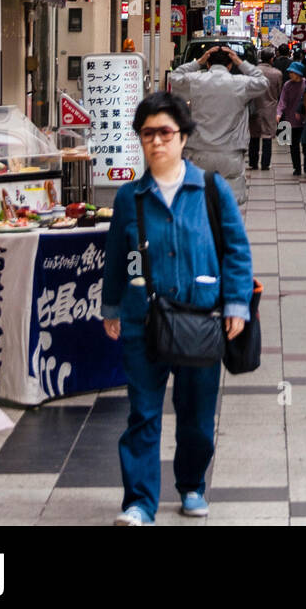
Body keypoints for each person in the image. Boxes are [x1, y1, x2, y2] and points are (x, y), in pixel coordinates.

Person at [102, 91, 253, 526]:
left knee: (196, 416)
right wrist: (112, 307)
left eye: (165, 132)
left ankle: (191, 484)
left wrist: (236, 304)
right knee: (142, 414)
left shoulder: (209, 188)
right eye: (147, 133)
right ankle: (139, 502)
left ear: (183, 137)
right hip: (142, 321)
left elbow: (236, 250)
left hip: (200, 320)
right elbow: (117, 256)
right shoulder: (130, 197)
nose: (157, 142)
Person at [170, 45, 268, 206]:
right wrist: (240, 62)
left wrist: (198, 62)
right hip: (230, 153)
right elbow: (262, 82)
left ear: (208, 64)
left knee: (198, 202)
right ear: (230, 65)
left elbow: (175, 77)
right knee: (229, 205)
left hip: (198, 152)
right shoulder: (240, 83)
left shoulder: (196, 80)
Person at [248, 45, 282, 172]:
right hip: (270, 108)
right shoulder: (277, 74)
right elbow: (278, 92)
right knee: (267, 136)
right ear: (272, 59)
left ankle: (252, 162)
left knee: (254, 135)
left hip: (254, 107)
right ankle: (265, 163)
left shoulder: (253, 71)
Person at [276, 60, 306, 177]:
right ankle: (297, 167)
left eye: (292, 72)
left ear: (298, 73)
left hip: (304, 121)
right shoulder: (287, 85)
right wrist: (279, 113)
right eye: (289, 72)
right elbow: (282, 101)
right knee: (293, 146)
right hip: (290, 121)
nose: (290, 74)